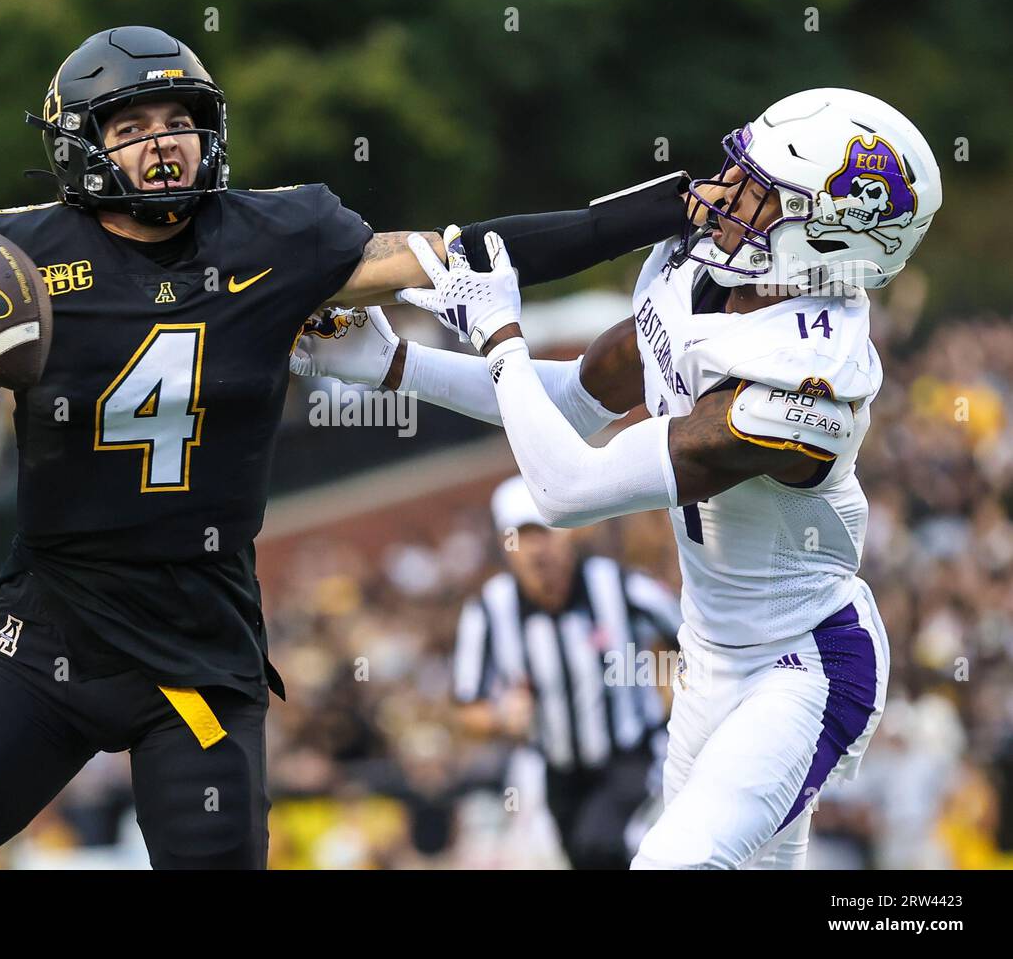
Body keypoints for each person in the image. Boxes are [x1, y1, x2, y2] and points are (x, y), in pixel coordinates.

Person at [0, 25, 692, 871]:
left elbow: (466, 252)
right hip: (52, 629)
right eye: (130, 129)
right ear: (82, 147)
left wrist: (666, 208)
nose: (162, 145)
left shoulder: (280, 237)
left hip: (197, 656)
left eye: (177, 120)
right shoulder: (18, 256)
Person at [297, 88, 942, 869]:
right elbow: (568, 405)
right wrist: (396, 363)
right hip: (711, 654)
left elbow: (567, 490)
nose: (725, 196)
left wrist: (500, 333)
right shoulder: (702, 281)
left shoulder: (806, 379)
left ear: (833, 238)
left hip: (805, 661)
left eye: (761, 193)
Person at [453, 476, 679, 868]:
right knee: (579, 855)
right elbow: (466, 708)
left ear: (568, 535)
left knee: (607, 847)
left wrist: (677, 699)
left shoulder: (619, 586)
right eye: (523, 537)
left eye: (545, 533)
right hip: (556, 771)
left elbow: (692, 640)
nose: (538, 550)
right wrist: (503, 716)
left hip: (631, 756)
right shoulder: (489, 611)